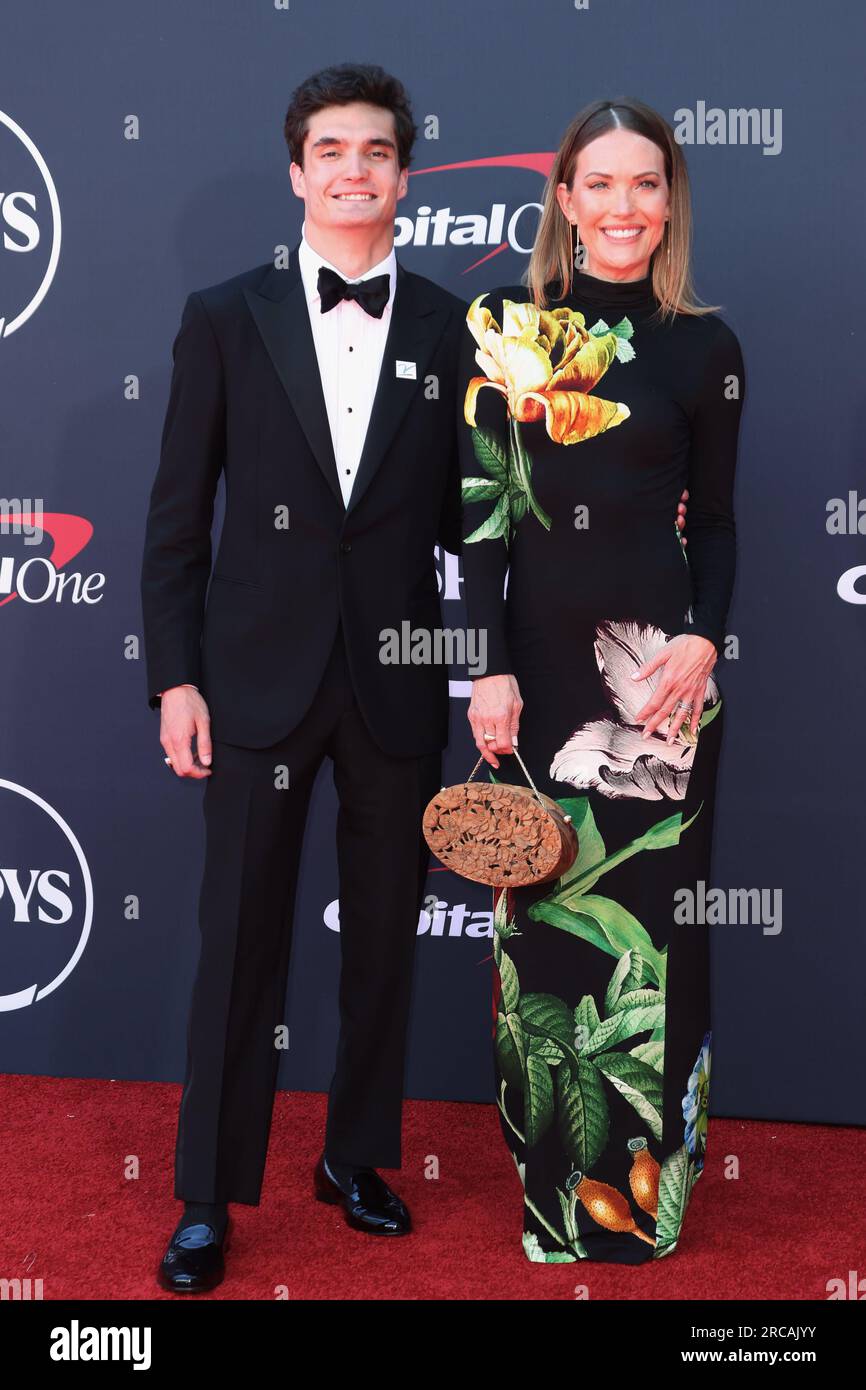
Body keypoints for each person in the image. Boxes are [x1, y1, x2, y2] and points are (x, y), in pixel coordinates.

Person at [140, 63, 466, 1293]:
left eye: (375, 150)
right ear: (297, 171)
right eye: (329, 149)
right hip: (253, 681)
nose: (352, 169)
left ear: (402, 174)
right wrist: (174, 677)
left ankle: (357, 1156)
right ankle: (206, 1196)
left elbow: (467, 517)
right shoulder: (223, 315)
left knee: (385, 936)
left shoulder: (451, 327)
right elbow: (177, 519)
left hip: (393, 683)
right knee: (240, 943)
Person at [457, 98, 745, 1264]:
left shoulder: (704, 346)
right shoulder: (503, 333)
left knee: (649, 940)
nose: (622, 206)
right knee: (539, 941)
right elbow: (482, 524)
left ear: (666, 201)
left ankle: (645, 1200)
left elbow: (715, 524)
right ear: (564, 200)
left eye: (644, 183)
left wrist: (705, 637)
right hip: (532, 682)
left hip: (656, 686)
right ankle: (553, 1206)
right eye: (599, 184)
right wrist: (484, 666)